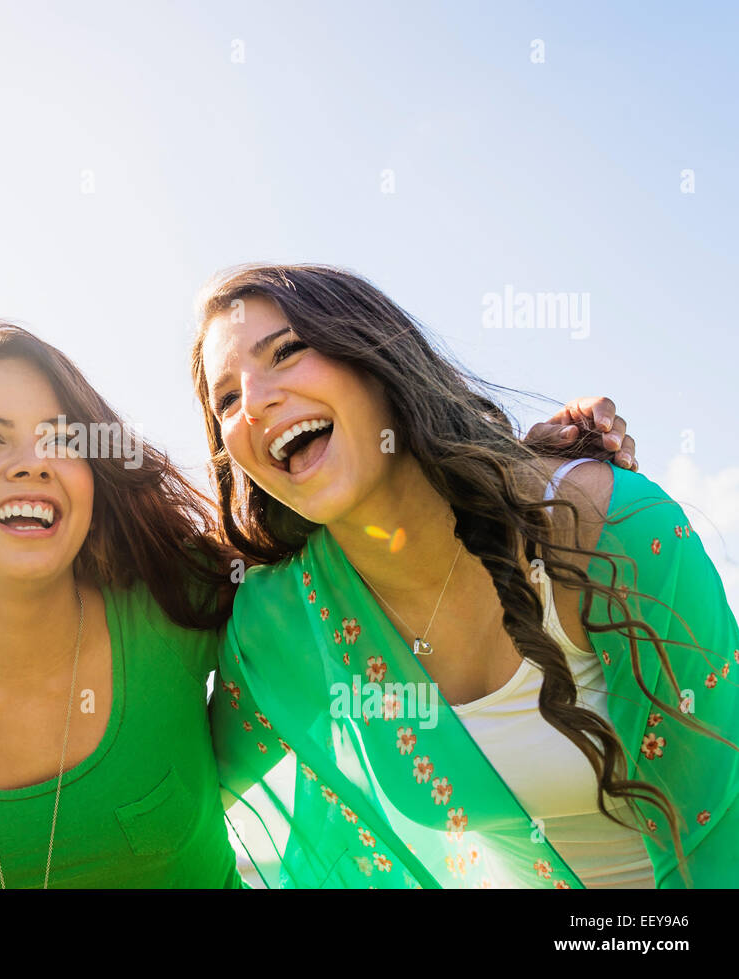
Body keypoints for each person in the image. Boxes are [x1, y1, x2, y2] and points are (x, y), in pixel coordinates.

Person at [0, 322, 639, 888]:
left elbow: (361, 540)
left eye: (60, 438)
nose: (33, 462)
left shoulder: (173, 594)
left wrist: (511, 467)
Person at [194, 263, 738, 888]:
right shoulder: (282, 618)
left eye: (286, 352)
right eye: (227, 400)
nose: (256, 404)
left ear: (377, 355)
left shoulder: (603, 525)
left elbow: (719, 828)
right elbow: (181, 798)